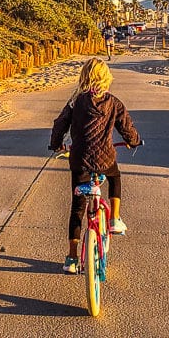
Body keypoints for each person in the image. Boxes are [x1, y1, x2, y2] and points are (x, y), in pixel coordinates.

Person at [49, 58, 142, 273]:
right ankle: (114, 219)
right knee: (115, 177)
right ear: (107, 78)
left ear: (84, 78)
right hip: (105, 159)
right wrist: (134, 141)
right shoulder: (114, 103)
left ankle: (72, 259)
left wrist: (56, 145)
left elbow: (59, 124)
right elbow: (127, 129)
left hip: (79, 159)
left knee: (77, 208)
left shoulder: (75, 102)